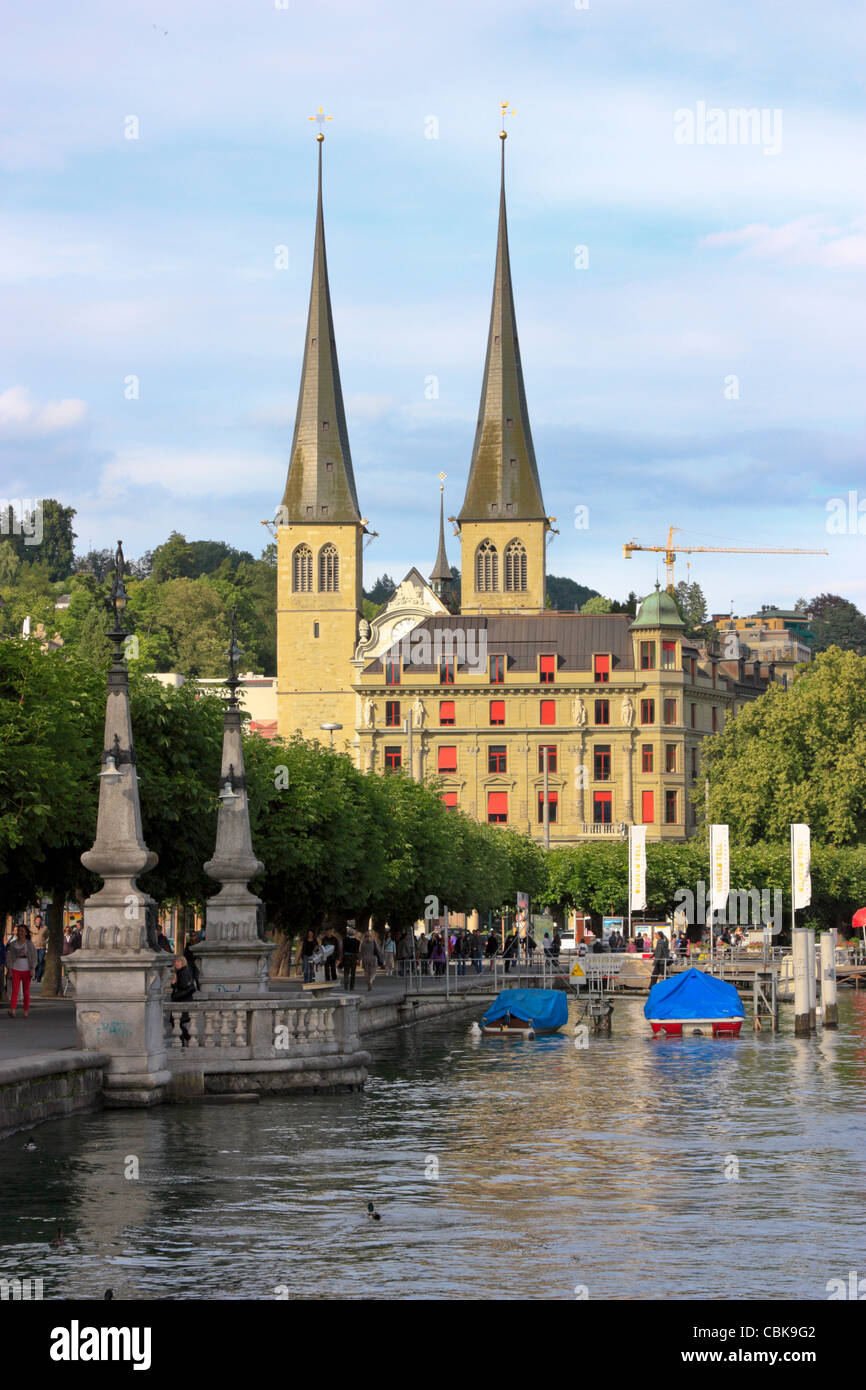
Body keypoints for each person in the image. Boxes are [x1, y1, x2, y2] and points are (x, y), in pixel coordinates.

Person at [6, 925, 37, 1018]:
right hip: (16, 968)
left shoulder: (29, 944)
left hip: (26, 969)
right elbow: (9, 957)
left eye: (23, 931)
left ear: (26, 933)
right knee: (15, 991)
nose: (21, 933)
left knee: (26, 991)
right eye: (19, 931)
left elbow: (34, 957)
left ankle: (26, 1011)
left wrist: (32, 968)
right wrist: (10, 969)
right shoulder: (13, 944)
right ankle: (13, 1010)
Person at [170, 954, 197, 1046]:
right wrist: (173, 984)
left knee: (177, 1022)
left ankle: (185, 1041)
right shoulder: (180, 972)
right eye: (175, 962)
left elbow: (188, 988)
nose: (176, 963)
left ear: (182, 962)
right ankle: (185, 1040)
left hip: (182, 1001)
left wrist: (177, 995)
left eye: (178, 962)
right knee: (177, 1023)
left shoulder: (183, 972)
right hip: (181, 1000)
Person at [341, 927, 360, 991]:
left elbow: (342, 948)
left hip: (346, 957)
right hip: (354, 957)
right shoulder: (357, 941)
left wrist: (341, 957)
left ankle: (346, 986)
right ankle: (352, 987)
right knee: (353, 973)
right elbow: (357, 951)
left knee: (346, 972)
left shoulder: (344, 940)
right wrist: (358, 959)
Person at [31, 915, 48, 982]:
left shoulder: (45, 928)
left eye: (40, 920)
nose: (38, 921)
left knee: (41, 962)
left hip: (42, 947)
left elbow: (47, 937)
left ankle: (39, 977)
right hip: (34, 947)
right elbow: (29, 937)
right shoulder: (32, 928)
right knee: (36, 962)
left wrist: (45, 943)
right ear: (35, 920)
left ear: (41, 921)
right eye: (37, 920)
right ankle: (35, 975)